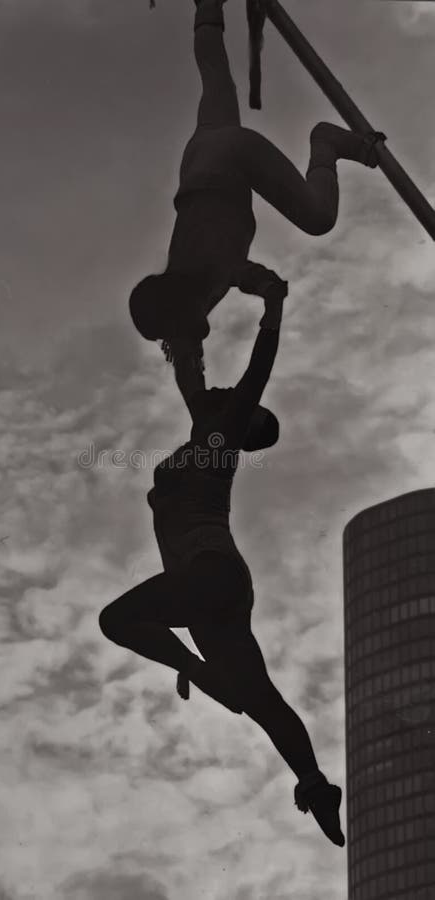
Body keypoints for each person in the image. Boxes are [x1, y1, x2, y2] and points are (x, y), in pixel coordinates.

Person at [99, 291, 345, 847]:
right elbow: (190, 374)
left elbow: (257, 372)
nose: (229, 393)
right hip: (213, 590)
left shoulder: (221, 437)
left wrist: (274, 309)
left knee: (115, 621)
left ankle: (204, 673)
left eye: (240, 401)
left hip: (209, 575)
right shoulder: (204, 435)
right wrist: (182, 337)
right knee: (259, 699)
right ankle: (315, 782)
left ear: (247, 424)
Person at [129, 0, 384, 347]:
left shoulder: (207, 275)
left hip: (228, 164)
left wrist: (270, 295)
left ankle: (327, 143)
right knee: (216, 78)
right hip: (198, 157)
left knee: (319, 218)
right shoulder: (184, 268)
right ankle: (207, 6)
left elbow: (246, 276)